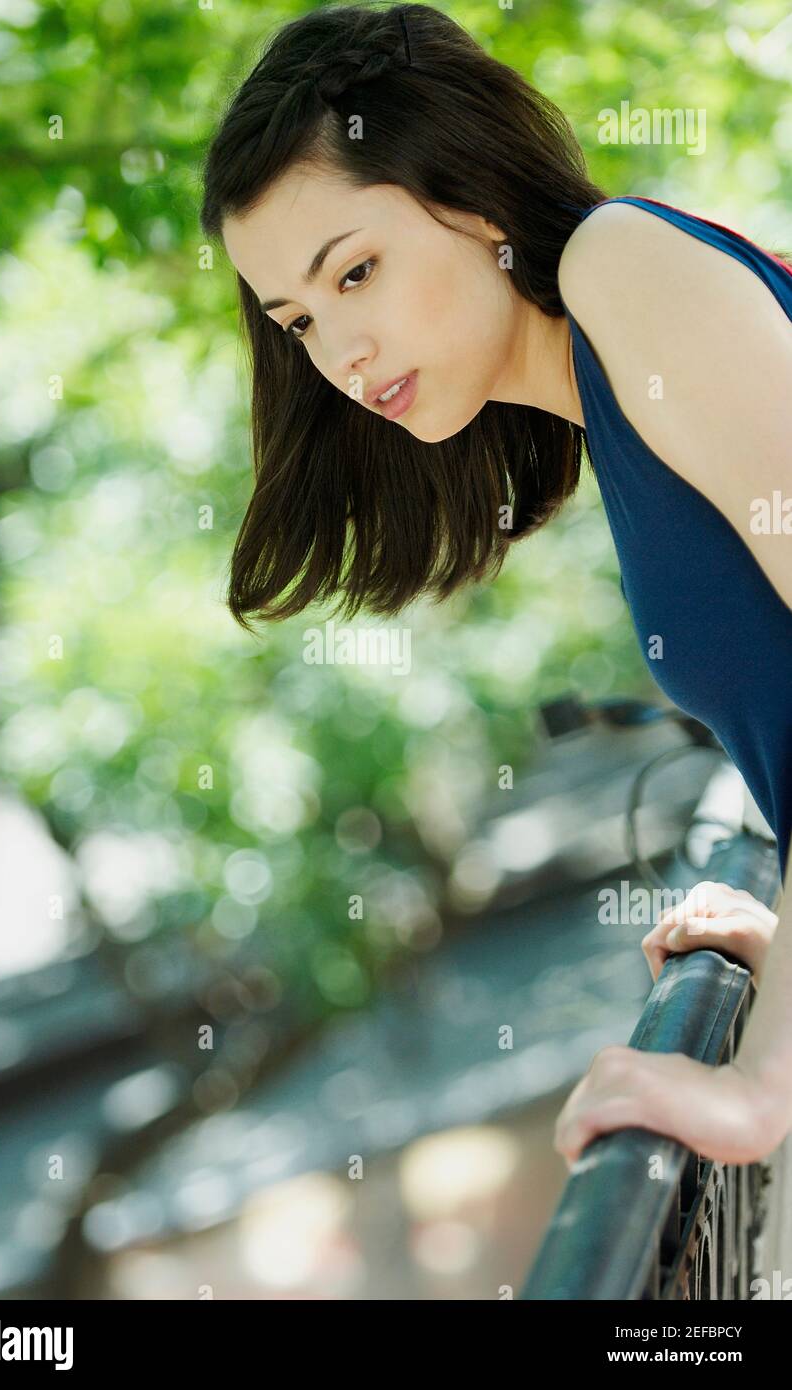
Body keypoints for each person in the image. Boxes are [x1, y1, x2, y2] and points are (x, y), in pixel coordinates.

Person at [200, 4, 792, 1177]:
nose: (341, 355)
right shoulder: (609, 385)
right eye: (303, 321)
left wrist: (767, 1080)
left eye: (357, 271)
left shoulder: (624, 267)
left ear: (471, 196)